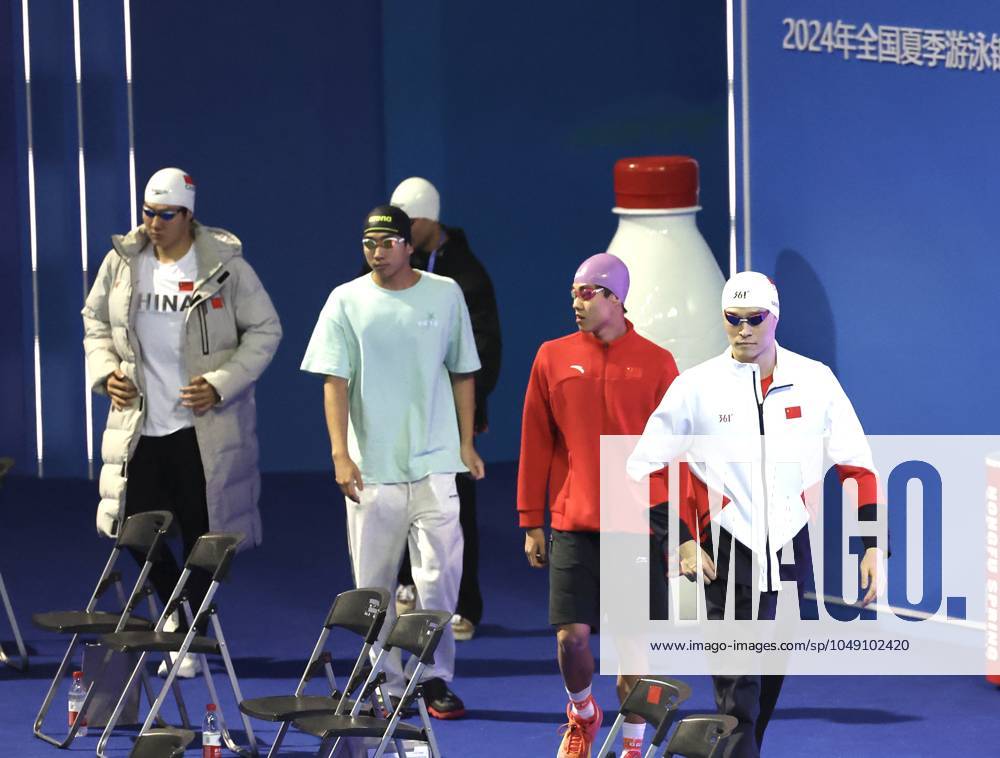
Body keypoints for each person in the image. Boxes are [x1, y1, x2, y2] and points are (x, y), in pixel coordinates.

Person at [628, 271, 882, 757]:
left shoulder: (815, 381)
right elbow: (647, 465)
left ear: (775, 316)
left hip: (790, 552)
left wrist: (872, 543)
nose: (743, 330)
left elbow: (858, 466)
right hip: (726, 553)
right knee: (738, 689)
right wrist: (680, 536)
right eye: (732, 319)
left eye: (754, 319)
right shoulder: (695, 387)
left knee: (764, 684)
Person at [82, 167, 282, 676]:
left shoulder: (224, 267)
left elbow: (265, 330)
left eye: (165, 214)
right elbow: (95, 322)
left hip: (202, 430)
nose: (153, 223)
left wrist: (221, 381)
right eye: (147, 213)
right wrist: (107, 373)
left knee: (207, 539)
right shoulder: (124, 263)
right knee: (134, 531)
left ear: (188, 214)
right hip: (139, 427)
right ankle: (178, 617)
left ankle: (182, 629)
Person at [301, 204, 482, 719]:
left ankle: (432, 678)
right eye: (368, 245)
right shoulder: (346, 301)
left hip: (436, 465)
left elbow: (463, 371)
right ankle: (382, 675)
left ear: (408, 244)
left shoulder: (445, 294)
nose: (376, 253)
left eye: (386, 243)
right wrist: (340, 454)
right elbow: (334, 382)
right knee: (373, 585)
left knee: (440, 580)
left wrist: (467, 443)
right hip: (371, 469)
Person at [517, 253, 679, 758]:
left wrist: (678, 529)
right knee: (572, 639)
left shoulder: (658, 363)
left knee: (633, 648)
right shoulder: (551, 357)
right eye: (573, 292)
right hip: (573, 520)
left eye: (587, 292)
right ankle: (582, 711)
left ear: (616, 298)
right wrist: (531, 520)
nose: (576, 302)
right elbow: (536, 441)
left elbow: (676, 455)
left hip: (634, 525)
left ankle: (632, 744)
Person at [369, 177, 501, 642]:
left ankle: (464, 605)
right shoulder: (386, 269)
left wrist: (466, 416)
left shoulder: (465, 277)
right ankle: (407, 582)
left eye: (407, 226)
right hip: (401, 421)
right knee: (398, 500)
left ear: (427, 220)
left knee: (454, 512)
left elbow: (479, 354)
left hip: (446, 422)